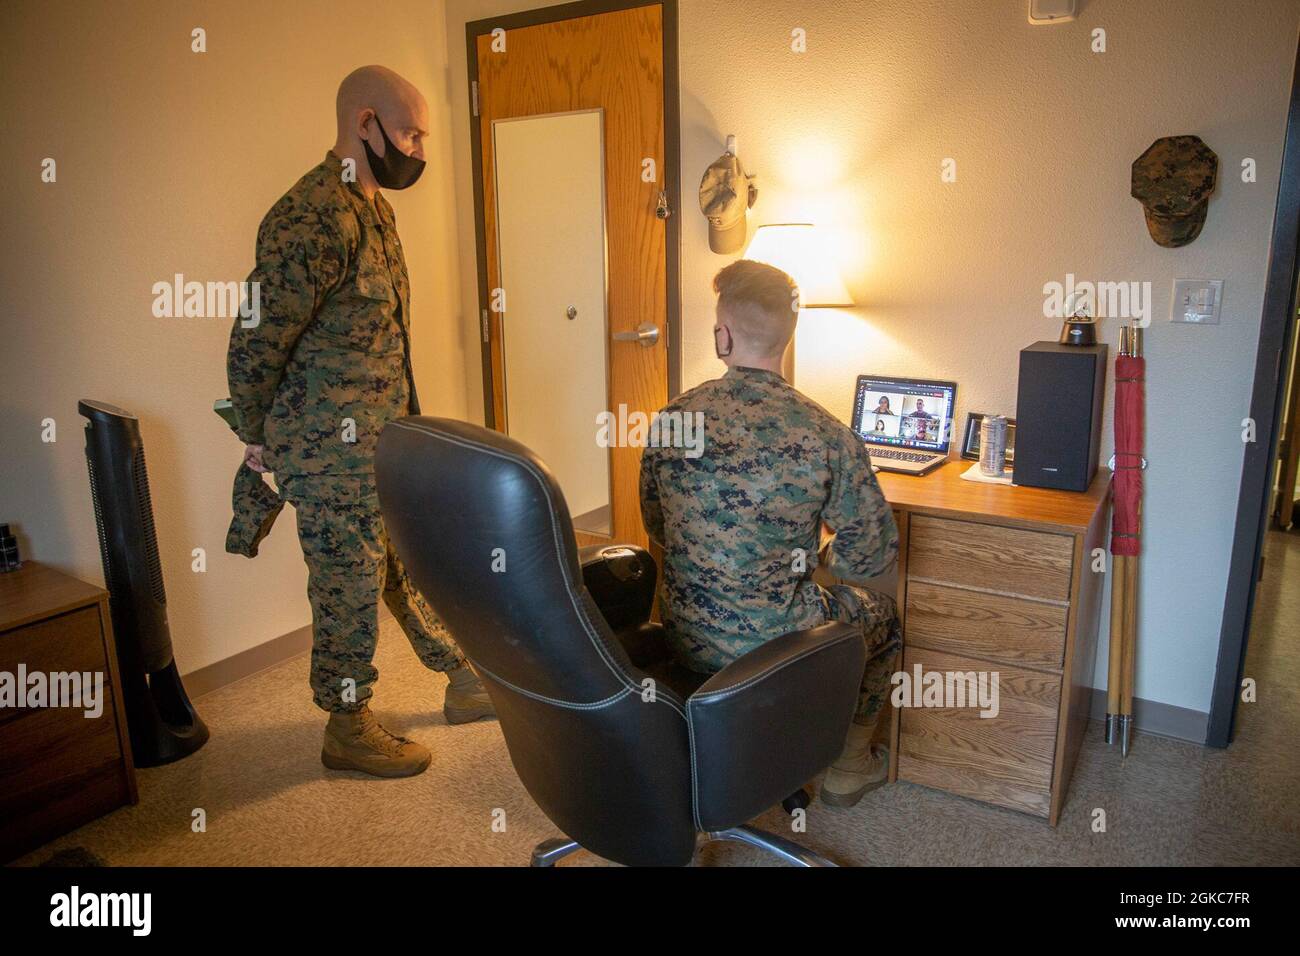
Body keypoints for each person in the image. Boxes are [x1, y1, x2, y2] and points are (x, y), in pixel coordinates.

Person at [226, 65, 492, 779]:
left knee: (407, 561)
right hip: (326, 451)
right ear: (364, 122)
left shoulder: (373, 208)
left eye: (423, 135)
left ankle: (461, 675)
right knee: (348, 581)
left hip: (382, 441)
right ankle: (347, 724)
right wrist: (255, 433)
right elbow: (257, 334)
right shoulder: (310, 215)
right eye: (410, 132)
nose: (420, 150)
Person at [639, 259, 902, 807]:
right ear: (788, 335)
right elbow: (874, 553)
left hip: (682, 634)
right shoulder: (828, 434)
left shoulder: (672, 418)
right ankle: (850, 768)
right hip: (776, 645)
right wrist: (813, 563)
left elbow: (658, 528)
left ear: (723, 335)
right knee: (885, 620)